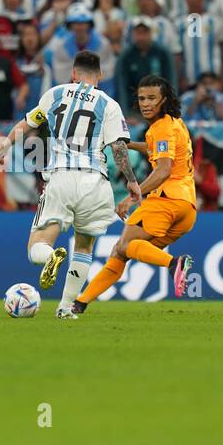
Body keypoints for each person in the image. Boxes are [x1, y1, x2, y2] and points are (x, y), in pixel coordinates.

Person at [0, 50, 138, 318]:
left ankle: (50, 256)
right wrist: (132, 181)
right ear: (100, 76)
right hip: (96, 181)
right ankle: (66, 308)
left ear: (73, 74)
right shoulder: (109, 104)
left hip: (61, 176)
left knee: (36, 246)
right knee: (84, 246)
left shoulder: (55, 94)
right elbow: (118, 148)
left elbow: (26, 124)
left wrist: (5, 144)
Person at [69, 75, 198, 317]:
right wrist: (128, 145)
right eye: (141, 98)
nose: (146, 103)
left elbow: (163, 170)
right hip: (187, 207)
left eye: (152, 98)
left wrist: (132, 197)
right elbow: (156, 148)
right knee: (122, 250)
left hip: (166, 201)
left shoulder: (161, 128)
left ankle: (175, 263)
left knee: (126, 245)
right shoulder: (174, 123)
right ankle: (80, 303)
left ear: (165, 99)